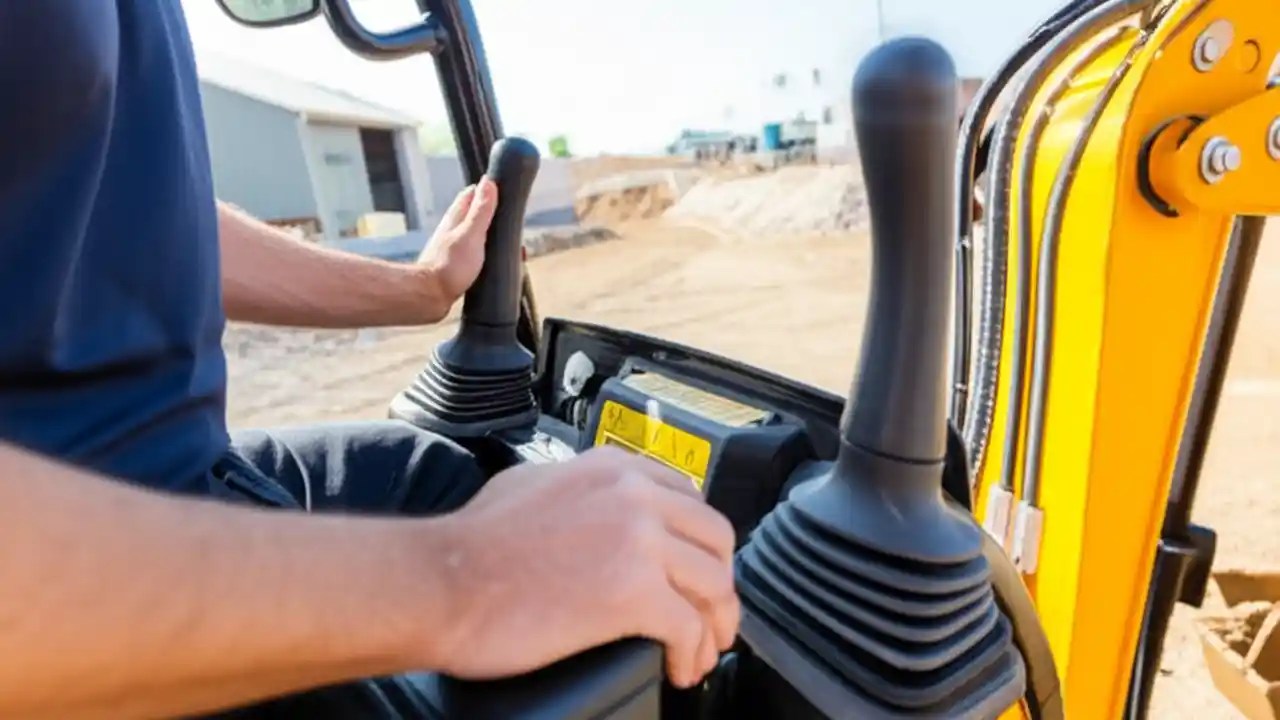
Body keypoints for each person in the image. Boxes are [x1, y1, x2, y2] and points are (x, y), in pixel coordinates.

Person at [0, 2, 739, 719]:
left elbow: (139, 210)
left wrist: (416, 292)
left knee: (434, 470)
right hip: (72, 555)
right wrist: (463, 579)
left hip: (178, 460)